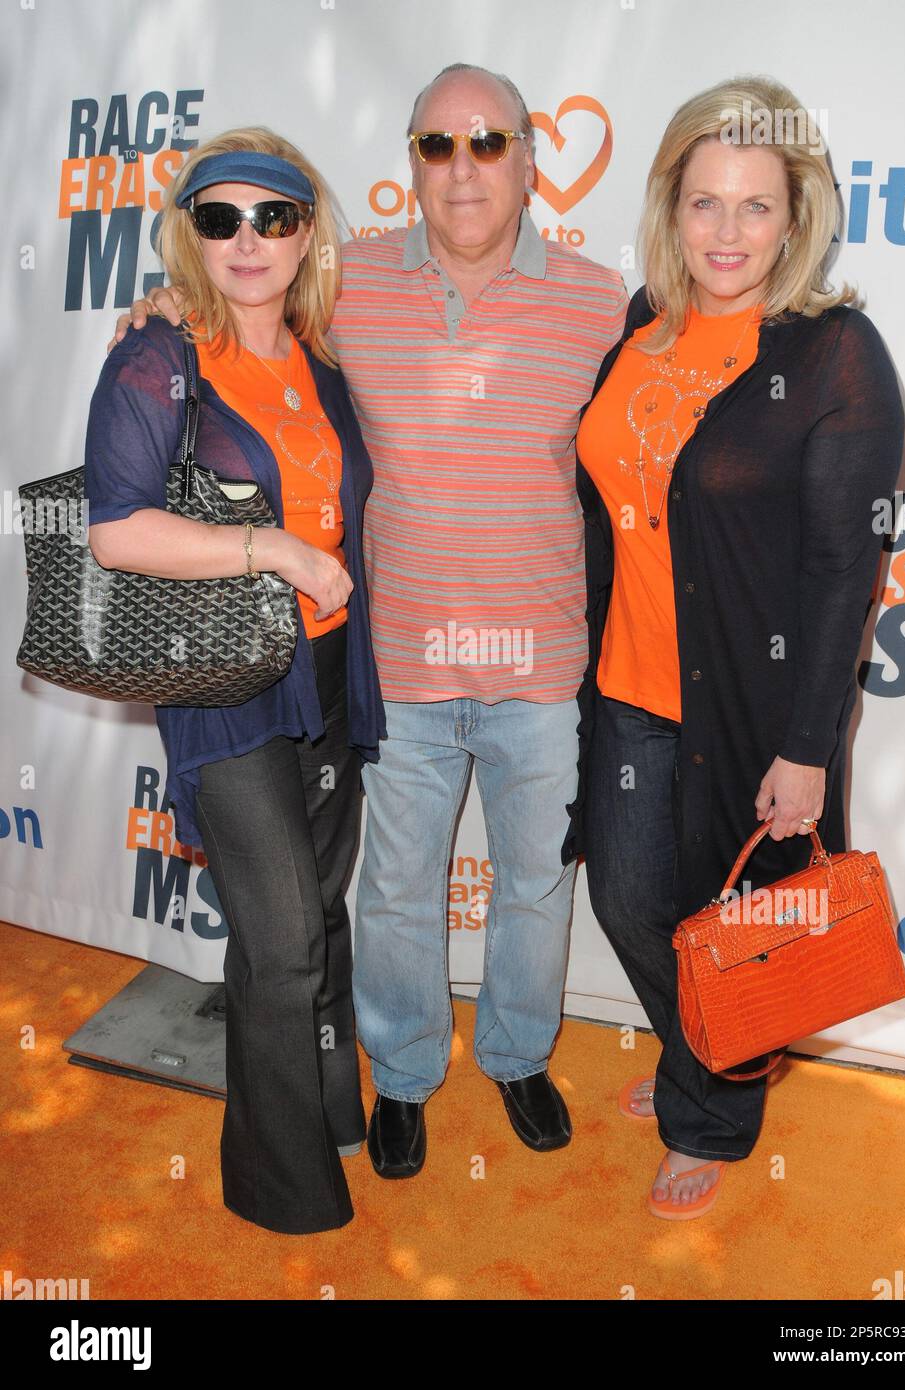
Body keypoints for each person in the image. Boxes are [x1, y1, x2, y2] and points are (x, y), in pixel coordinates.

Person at [114, 65, 628, 1179]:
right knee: (395, 892)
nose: (463, 167)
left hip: (542, 663)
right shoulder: (346, 292)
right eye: (437, 145)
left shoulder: (600, 302)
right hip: (398, 666)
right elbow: (240, 316)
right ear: (412, 162)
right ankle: (399, 1075)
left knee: (537, 885)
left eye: (488, 142)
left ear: (529, 160)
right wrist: (165, 309)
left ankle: (517, 1055)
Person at [561, 75, 905, 1219]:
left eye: (755, 205)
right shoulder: (640, 322)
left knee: (737, 928)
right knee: (628, 903)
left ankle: (709, 1107)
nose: (726, 232)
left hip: (749, 712)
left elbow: (842, 572)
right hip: (625, 686)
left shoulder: (834, 353)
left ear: (797, 215)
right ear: (670, 205)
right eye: (703, 201)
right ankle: (709, 1050)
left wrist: (806, 749)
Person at [87, 128, 385, 1234]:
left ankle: (334, 1108)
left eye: (275, 217)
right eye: (220, 218)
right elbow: (116, 530)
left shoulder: (324, 356)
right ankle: (279, 1183)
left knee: (317, 915)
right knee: (284, 935)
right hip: (223, 683)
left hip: (330, 666)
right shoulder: (160, 358)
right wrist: (277, 551)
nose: (248, 240)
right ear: (191, 234)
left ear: (308, 234)